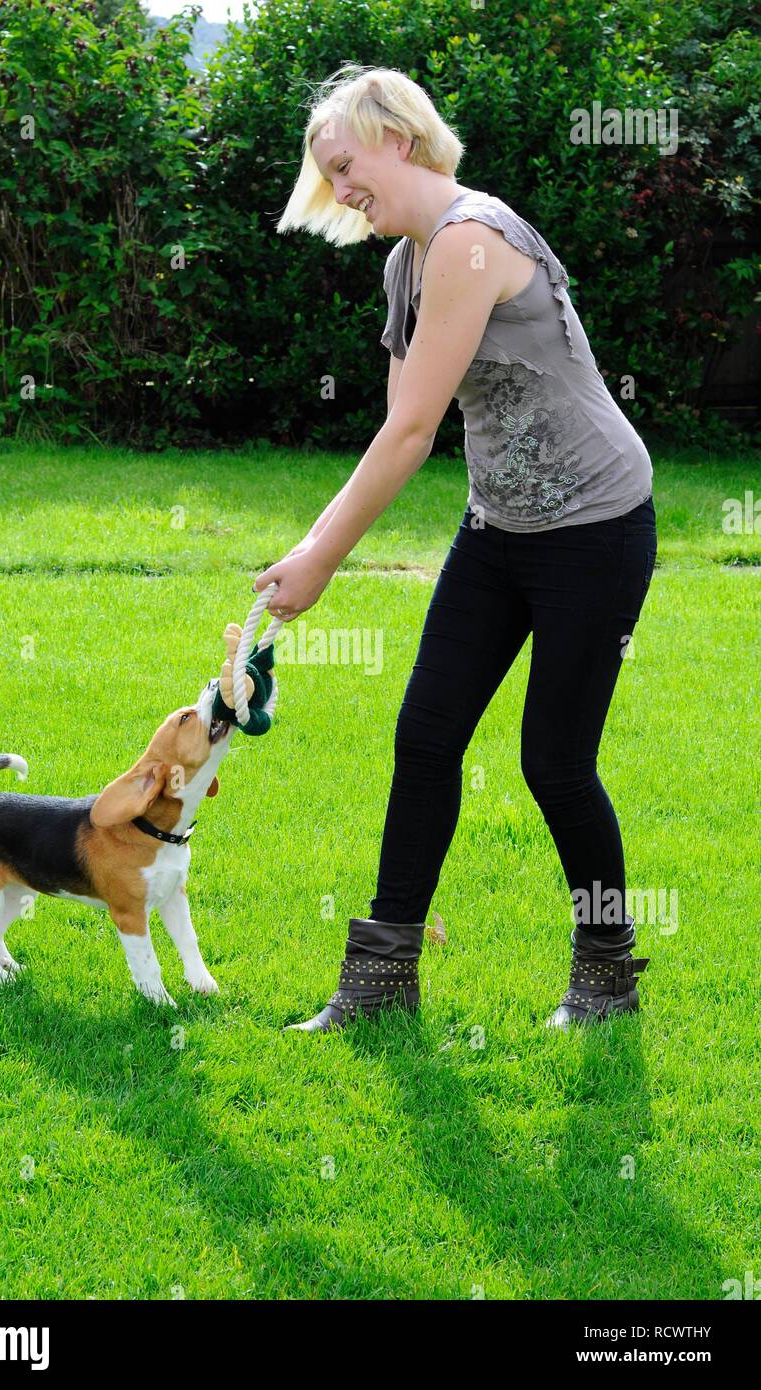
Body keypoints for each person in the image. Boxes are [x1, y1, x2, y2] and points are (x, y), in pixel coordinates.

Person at [253, 64, 658, 1033]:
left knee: (553, 762)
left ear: (396, 136)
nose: (342, 190)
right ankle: (381, 979)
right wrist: (314, 543)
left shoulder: (472, 242)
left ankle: (606, 977)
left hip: (594, 526)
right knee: (426, 736)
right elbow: (402, 418)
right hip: (499, 528)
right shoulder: (407, 261)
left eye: (346, 165)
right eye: (328, 176)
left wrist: (317, 556)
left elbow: (408, 434)